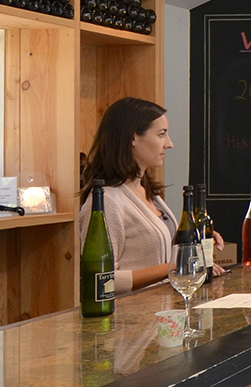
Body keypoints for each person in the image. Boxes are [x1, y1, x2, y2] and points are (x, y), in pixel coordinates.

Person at [77, 97, 183, 293]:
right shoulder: (107, 201)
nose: (169, 144)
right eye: (161, 134)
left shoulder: (147, 191)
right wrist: (172, 268)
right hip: (130, 319)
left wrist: (196, 240)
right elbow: (100, 280)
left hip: (160, 313)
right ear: (132, 138)